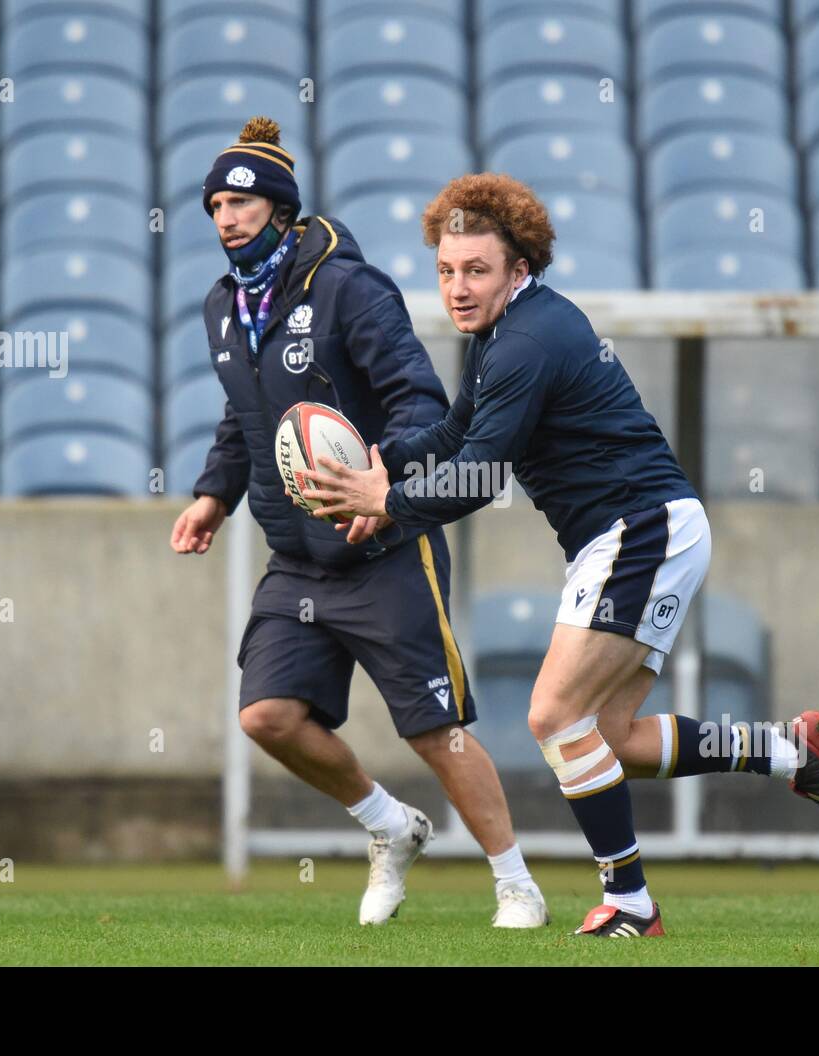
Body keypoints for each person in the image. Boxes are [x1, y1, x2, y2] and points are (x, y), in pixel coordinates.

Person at [299, 172, 819, 938]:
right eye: (445, 270)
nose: (458, 288)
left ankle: (629, 899)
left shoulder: (527, 340)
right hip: (641, 533)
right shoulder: (502, 334)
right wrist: (382, 461)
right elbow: (453, 438)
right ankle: (788, 753)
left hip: (641, 530)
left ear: (519, 266)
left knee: (553, 715)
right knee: (613, 738)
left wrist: (385, 505)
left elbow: (481, 472)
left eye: (477, 270)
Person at [171, 121, 548, 928]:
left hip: (381, 548)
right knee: (266, 717)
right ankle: (389, 826)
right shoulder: (224, 307)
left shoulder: (349, 288)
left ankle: (516, 881)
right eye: (214, 205)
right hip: (297, 559)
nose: (225, 218)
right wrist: (212, 495)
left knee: (435, 731)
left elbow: (419, 396)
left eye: (240, 202)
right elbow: (246, 420)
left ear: (279, 210)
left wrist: (387, 480)